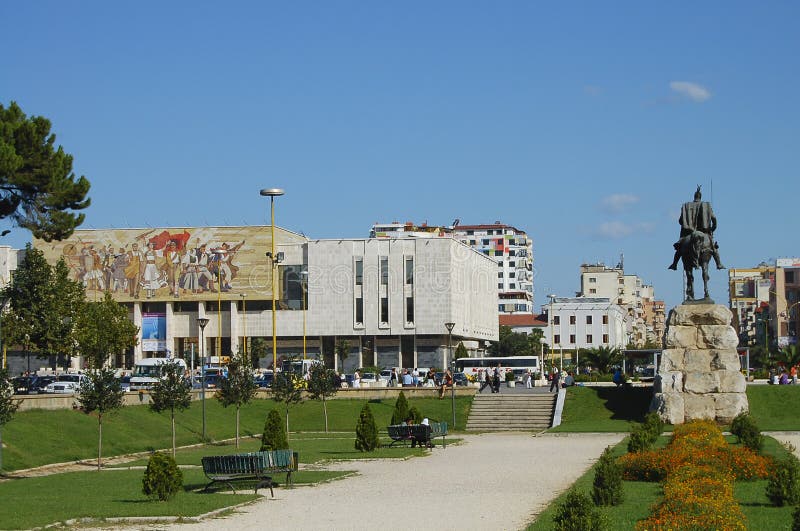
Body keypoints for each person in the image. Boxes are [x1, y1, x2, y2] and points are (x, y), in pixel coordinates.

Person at [669, 185, 725, 271]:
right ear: (700, 197)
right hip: (704, 232)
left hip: (689, 232)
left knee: (680, 250)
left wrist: (687, 224)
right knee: (713, 248)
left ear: (694, 197)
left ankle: (674, 264)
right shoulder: (706, 206)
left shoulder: (686, 206)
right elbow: (714, 219)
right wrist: (713, 228)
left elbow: (680, 221)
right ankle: (719, 263)